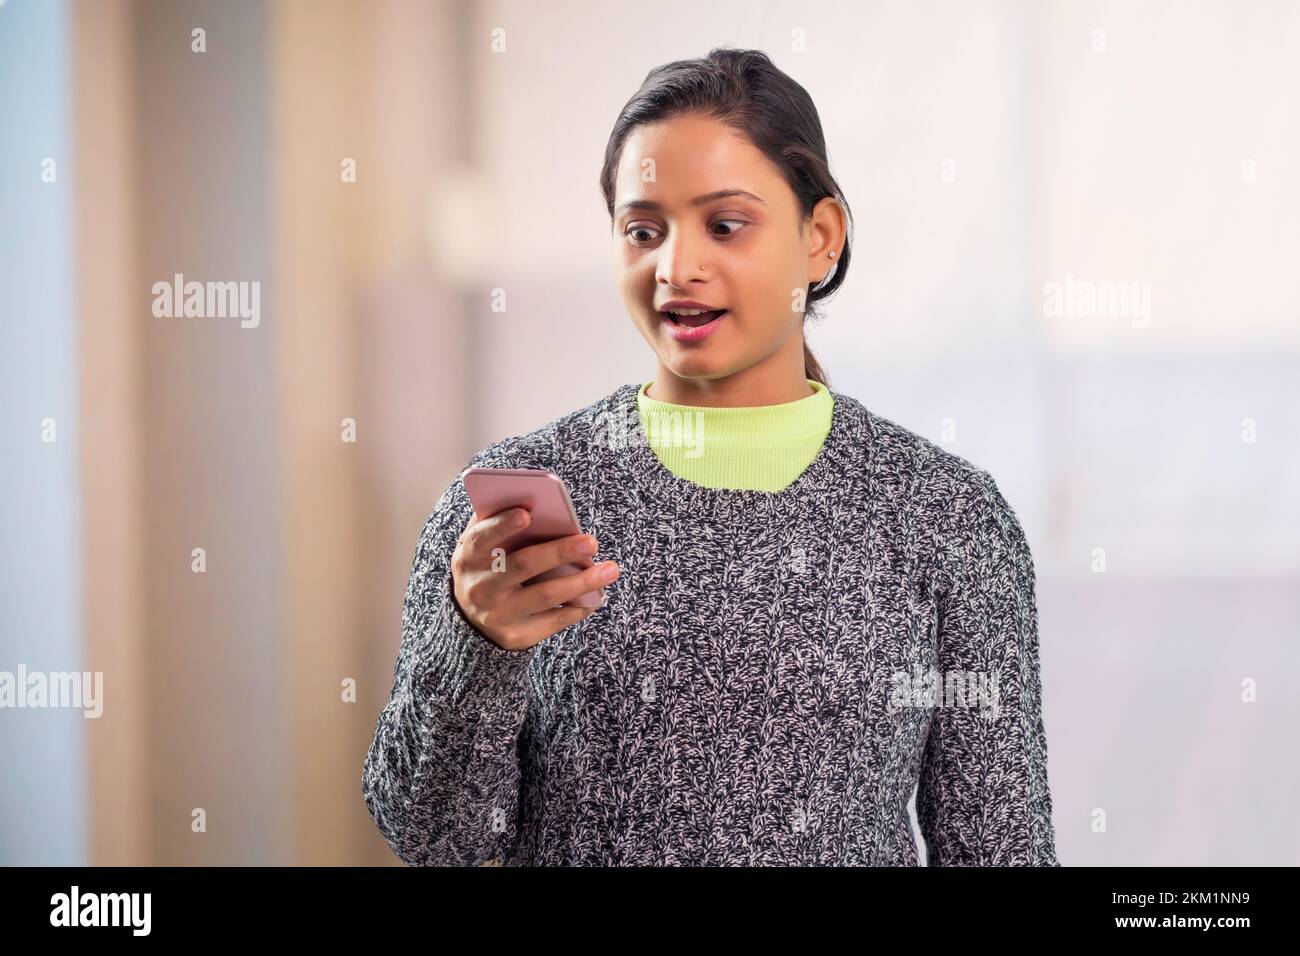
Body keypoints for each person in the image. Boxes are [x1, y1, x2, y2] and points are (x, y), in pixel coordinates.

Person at [362, 47, 1059, 866]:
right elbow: (432, 839)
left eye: (725, 226)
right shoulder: (506, 517)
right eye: (643, 231)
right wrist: (477, 644)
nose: (676, 268)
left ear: (820, 239)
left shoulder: (945, 516)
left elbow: (999, 848)